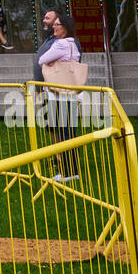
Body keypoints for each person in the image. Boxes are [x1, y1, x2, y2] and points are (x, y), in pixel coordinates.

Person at [39, 14, 82, 182]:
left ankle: (67, 173)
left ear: (65, 27)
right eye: (54, 24)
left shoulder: (61, 44)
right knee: (69, 132)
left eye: (57, 24)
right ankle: (72, 170)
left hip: (58, 94)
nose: (54, 27)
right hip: (69, 94)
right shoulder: (73, 44)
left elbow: (42, 59)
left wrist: (50, 62)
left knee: (63, 133)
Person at [32, 9, 60, 82]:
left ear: (56, 22)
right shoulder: (48, 39)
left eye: (47, 18)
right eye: (44, 18)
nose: (44, 20)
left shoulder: (60, 41)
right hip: (41, 89)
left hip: (52, 88)